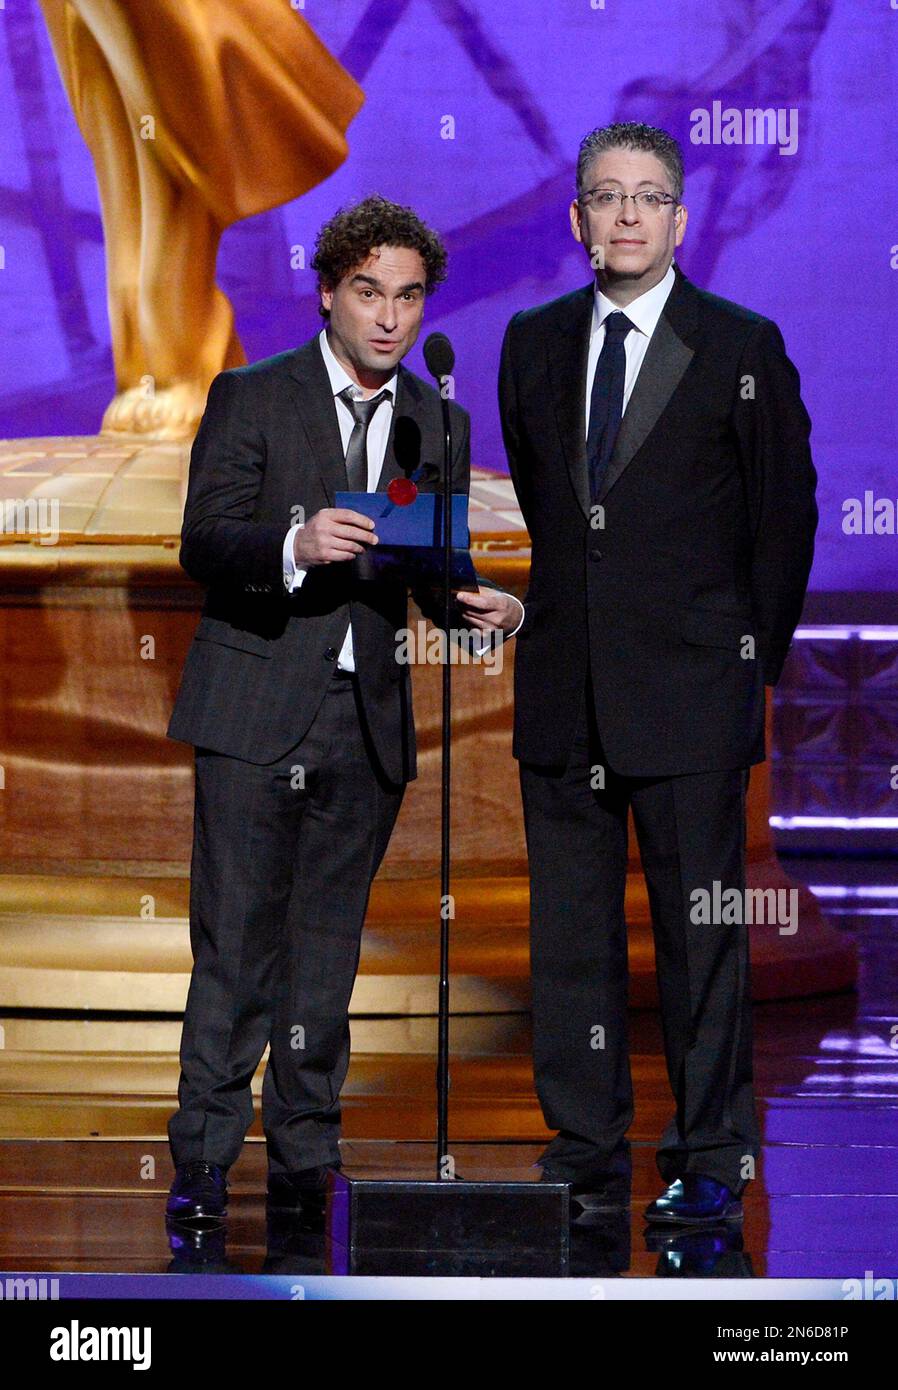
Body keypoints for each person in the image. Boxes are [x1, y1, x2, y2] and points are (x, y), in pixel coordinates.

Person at [165, 194, 522, 1224]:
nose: (388, 317)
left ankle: (305, 1156)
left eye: (407, 298)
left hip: (361, 721)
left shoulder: (435, 420)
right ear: (327, 292)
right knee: (236, 945)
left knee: (327, 950)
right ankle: (198, 1162)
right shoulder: (251, 396)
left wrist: (483, 607)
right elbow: (204, 540)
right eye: (368, 292)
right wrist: (293, 544)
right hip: (253, 706)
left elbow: (433, 571)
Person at [498, 122, 817, 1224]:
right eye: (605, 196)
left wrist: (744, 667)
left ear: (679, 221)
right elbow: (553, 516)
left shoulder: (739, 345)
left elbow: (783, 524)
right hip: (564, 696)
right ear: (578, 220)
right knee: (570, 942)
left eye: (648, 196)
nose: (626, 214)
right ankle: (584, 1149)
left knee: (699, 937)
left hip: (689, 697)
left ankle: (710, 1152)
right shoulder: (530, 344)